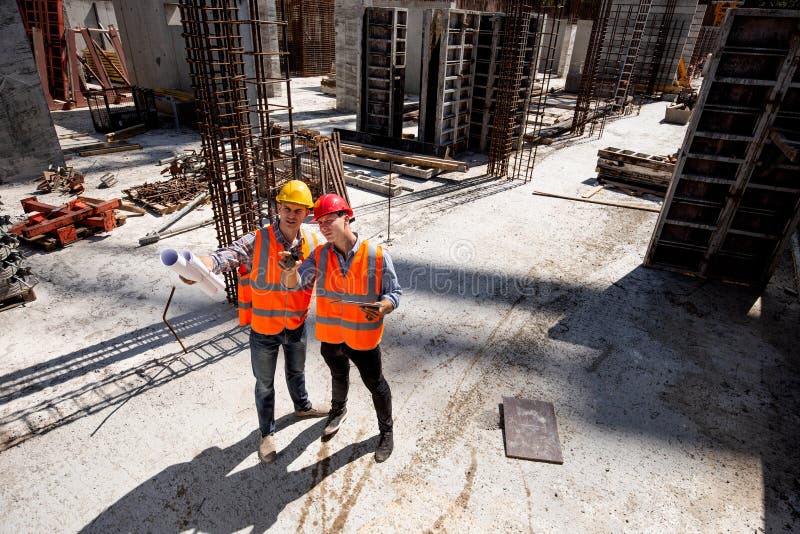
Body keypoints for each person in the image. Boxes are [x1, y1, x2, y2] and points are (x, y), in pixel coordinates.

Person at [183, 180, 329, 463]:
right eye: (287, 208)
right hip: (264, 330)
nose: (291, 215)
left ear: (306, 214)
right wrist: (201, 266)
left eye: (298, 211)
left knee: (297, 373)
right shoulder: (258, 239)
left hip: (296, 325)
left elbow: (329, 268)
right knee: (264, 384)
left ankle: (302, 406)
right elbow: (226, 255)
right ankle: (267, 433)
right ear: (278, 206)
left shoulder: (311, 243)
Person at [281, 194, 402, 463]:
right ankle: (338, 411)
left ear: (346, 217)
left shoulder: (377, 255)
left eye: (328, 220)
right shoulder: (320, 255)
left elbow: (394, 293)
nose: (323, 226)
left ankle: (386, 432)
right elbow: (298, 282)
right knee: (338, 375)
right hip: (333, 336)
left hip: (363, 337)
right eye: (319, 222)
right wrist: (290, 270)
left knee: (376, 385)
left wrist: (384, 306)